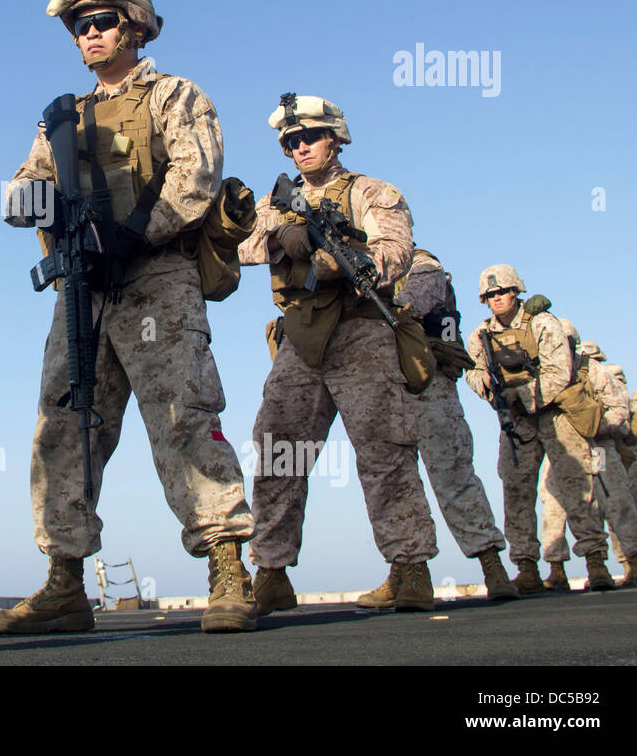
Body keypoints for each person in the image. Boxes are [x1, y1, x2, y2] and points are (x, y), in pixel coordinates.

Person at [0, 0, 257, 635]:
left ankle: (228, 567)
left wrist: (132, 232)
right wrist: (34, 204)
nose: (89, 34)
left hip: (155, 276)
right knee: (64, 423)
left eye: (102, 22)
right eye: (78, 27)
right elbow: (24, 187)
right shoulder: (61, 117)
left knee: (184, 416)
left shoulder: (175, 95)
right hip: (82, 288)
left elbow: (195, 175)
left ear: (134, 25)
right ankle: (64, 581)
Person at [238, 94, 439, 613]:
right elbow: (243, 247)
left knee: (384, 448)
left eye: (309, 137)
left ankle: (410, 567)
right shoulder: (275, 200)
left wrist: (337, 258)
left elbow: (397, 251)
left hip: (360, 328)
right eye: (291, 141)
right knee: (278, 450)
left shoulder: (374, 192)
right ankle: (272, 571)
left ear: (335, 138)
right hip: (301, 334)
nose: (301, 147)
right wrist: (286, 236)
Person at [355, 248, 519, 606]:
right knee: (394, 484)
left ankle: (493, 567)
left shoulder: (422, 264)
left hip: (427, 382)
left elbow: (411, 302)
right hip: (383, 385)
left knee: (454, 476)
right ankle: (405, 570)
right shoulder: (362, 261)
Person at [464, 266, 614, 593]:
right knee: (516, 491)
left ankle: (595, 562)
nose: (496, 298)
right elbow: (471, 372)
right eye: (490, 295)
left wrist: (523, 396)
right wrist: (487, 385)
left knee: (577, 488)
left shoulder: (543, 323)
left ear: (516, 291)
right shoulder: (481, 335)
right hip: (516, 422)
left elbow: (560, 372)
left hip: (554, 413)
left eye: (502, 291)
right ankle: (527, 567)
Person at [536, 332, 637, 589]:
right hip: (562, 451)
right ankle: (559, 568)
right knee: (555, 509)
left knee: (616, 500)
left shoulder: (596, 372)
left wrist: (594, 427)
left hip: (599, 447)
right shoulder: (545, 373)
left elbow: (620, 411)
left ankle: (636, 561)